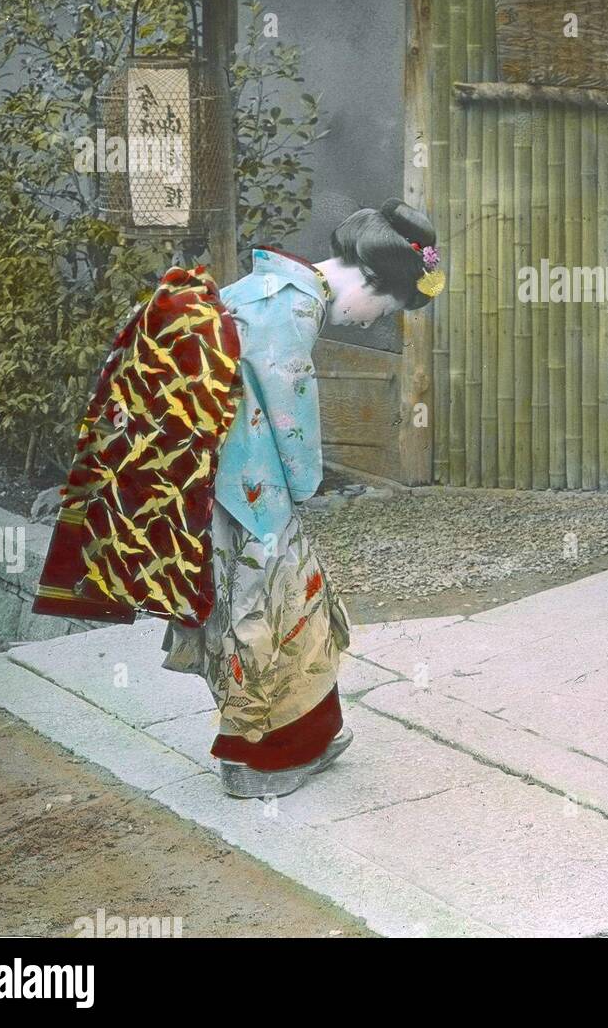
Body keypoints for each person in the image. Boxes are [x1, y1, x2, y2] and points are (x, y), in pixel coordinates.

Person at [34, 200, 443, 797]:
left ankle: (307, 739)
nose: (371, 320)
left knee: (283, 612)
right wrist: (306, 483)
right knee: (263, 620)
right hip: (248, 494)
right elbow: (291, 418)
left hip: (210, 476)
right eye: (385, 307)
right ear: (373, 279)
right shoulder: (293, 310)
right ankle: (255, 765)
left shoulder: (264, 285)